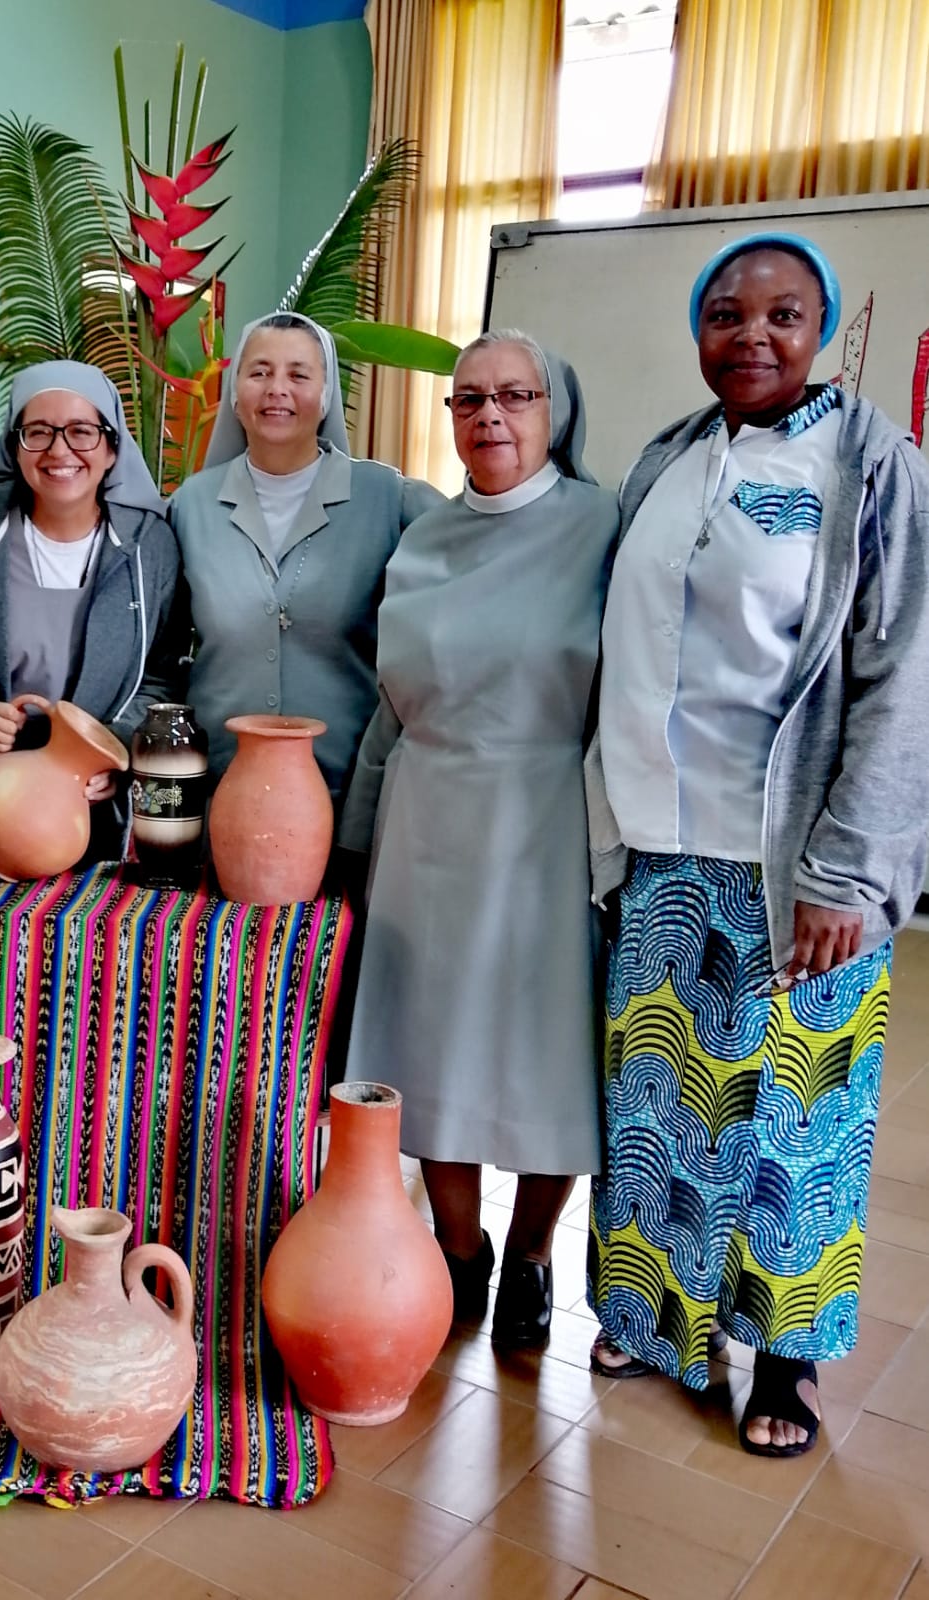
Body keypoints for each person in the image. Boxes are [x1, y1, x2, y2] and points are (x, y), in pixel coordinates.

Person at [587, 233, 929, 1457]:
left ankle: (784, 1360)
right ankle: (651, 1311)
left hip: (797, 860)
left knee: (792, 1121)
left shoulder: (874, 464)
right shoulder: (672, 455)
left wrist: (853, 869)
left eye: (784, 314)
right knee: (663, 1100)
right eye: (726, 313)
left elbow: (905, 681)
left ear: (824, 325)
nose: (752, 335)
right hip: (660, 843)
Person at [338, 331, 618, 1349]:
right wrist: (358, 841)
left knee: (551, 1057)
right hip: (427, 821)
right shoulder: (421, 536)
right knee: (428, 1046)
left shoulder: (602, 524)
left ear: (555, 411)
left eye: (514, 395)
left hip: (550, 818)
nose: (490, 415)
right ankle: (462, 1250)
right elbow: (387, 705)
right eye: (468, 399)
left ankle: (533, 1255)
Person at [0, 360, 183, 1268]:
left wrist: (111, 753)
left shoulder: (148, 542)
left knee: (64, 1003)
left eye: (81, 432)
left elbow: (172, 672)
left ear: (111, 445)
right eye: (38, 432)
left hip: (83, 820)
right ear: (14, 445)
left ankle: (54, 1191)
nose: (60, 451)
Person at [169, 311, 444, 806]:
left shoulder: (386, 498)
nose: (277, 389)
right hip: (218, 793)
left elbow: (476, 545)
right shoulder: (191, 505)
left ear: (326, 394)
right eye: (259, 373)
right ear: (235, 393)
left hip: (347, 794)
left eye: (298, 374)